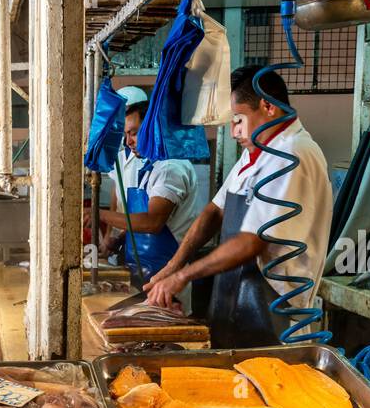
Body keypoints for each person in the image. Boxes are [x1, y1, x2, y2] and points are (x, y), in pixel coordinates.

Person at [144, 66, 332, 348]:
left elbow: (251, 242)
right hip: (239, 306)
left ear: (268, 107)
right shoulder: (255, 154)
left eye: (238, 119)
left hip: (276, 317)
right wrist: (173, 265)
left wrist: (183, 276)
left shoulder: (292, 154)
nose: (233, 132)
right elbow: (214, 211)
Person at [94, 101, 201, 288]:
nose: (128, 142)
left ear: (154, 129)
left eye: (134, 133)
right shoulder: (150, 167)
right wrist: (119, 239)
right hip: (143, 272)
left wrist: (99, 214)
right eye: (126, 135)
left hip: (167, 278)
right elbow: (140, 220)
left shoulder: (171, 168)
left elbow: (152, 223)